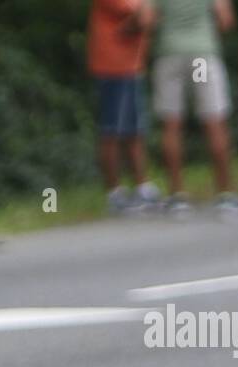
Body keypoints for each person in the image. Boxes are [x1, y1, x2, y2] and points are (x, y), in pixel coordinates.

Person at [152, 0, 238, 216]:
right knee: (213, 120)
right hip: (201, 56)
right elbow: (226, 20)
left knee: (171, 124)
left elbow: (147, 20)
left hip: (170, 54)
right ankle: (225, 194)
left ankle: (177, 196)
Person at [87, 0, 160, 214]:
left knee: (135, 129)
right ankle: (115, 194)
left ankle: (142, 188)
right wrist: (145, 16)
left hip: (131, 65)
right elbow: (144, 16)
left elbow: (147, 17)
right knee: (111, 129)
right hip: (112, 66)